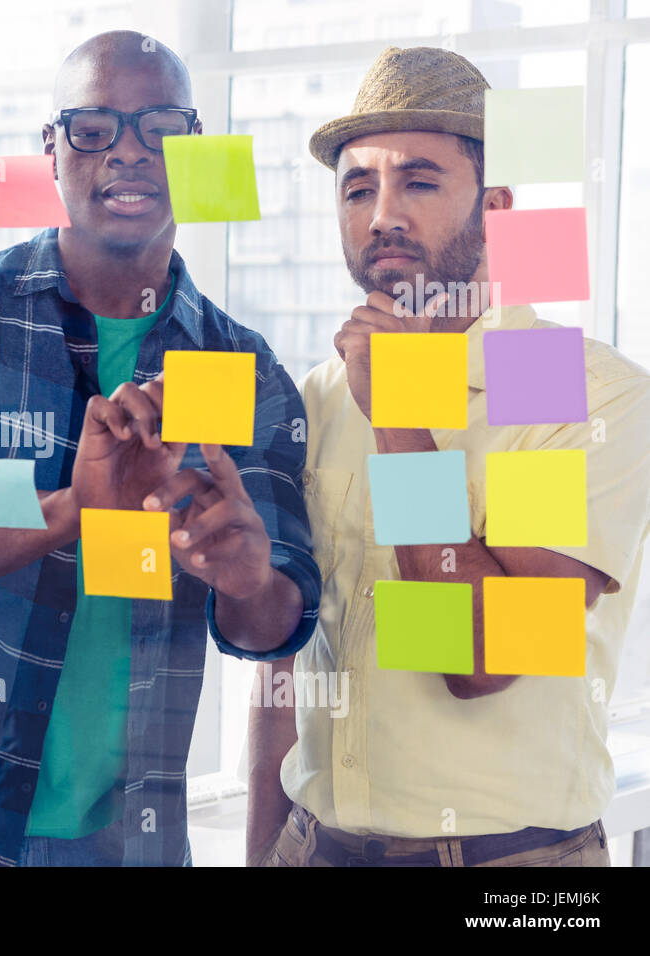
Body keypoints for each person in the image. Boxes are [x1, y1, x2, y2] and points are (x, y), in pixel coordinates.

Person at [0, 31, 320, 867]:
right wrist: (77, 510)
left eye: (161, 127)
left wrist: (248, 577)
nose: (128, 153)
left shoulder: (239, 369)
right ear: (52, 151)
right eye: (94, 127)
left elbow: (272, 626)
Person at [246, 47, 650, 867]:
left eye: (419, 182)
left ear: (498, 208)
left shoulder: (575, 391)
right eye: (358, 187)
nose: (381, 214)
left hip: (510, 865)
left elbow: (480, 658)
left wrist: (399, 422)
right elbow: (286, 668)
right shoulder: (319, 397)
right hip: (312, 846)